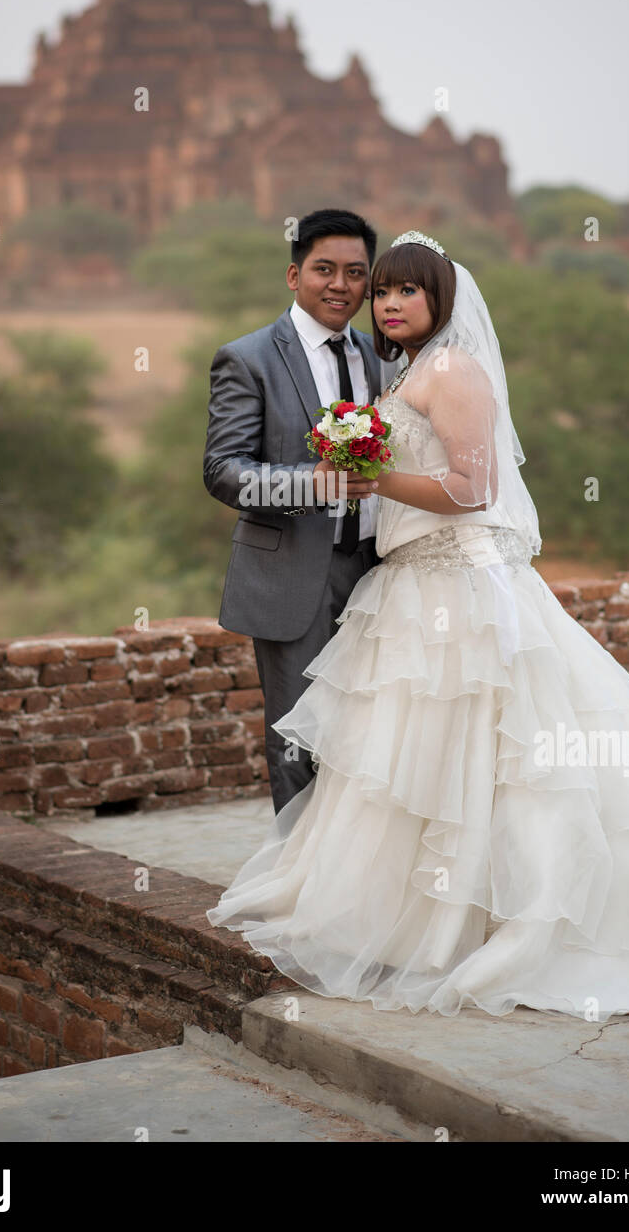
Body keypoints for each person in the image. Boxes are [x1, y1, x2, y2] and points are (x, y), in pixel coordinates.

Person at [206, 231, 629, 1028]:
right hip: (412, 582)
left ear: (441, 299)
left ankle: (499, 917)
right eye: (380, 291)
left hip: (462, 582)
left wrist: (373, 475)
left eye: (406, 290)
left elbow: (472, 487)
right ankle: (409, 916)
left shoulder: (450, 370)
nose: (387, 303)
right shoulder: (407, 369)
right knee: (412, 761)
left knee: (499, 758)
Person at [203, 208, 401, 813]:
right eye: (324, 270)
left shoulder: (385, 357)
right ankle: (296, 887)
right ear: (294, 275)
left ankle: (357, 875)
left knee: (377, 734)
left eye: (355, 273)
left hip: (383, 573)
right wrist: (310, 485)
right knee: (298, 739)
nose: (340, 285)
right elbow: (223, 471)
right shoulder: (248, 358)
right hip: (291, 576)